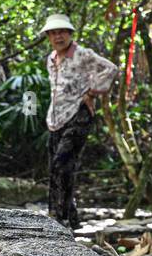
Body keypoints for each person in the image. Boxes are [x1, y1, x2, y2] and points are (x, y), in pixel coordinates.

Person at [41, 13, 115, 229]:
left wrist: (92, 92)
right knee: (60, 167)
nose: (58, 36)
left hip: (79, 114)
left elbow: (110, 69)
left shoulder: (83, 54)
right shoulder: (51, 59)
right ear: (48, 37)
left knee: (61, 163)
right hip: (55, 117)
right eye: (53, 33)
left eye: (62, 32)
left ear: (70, 34)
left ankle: (57, 215)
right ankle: (71, 218)